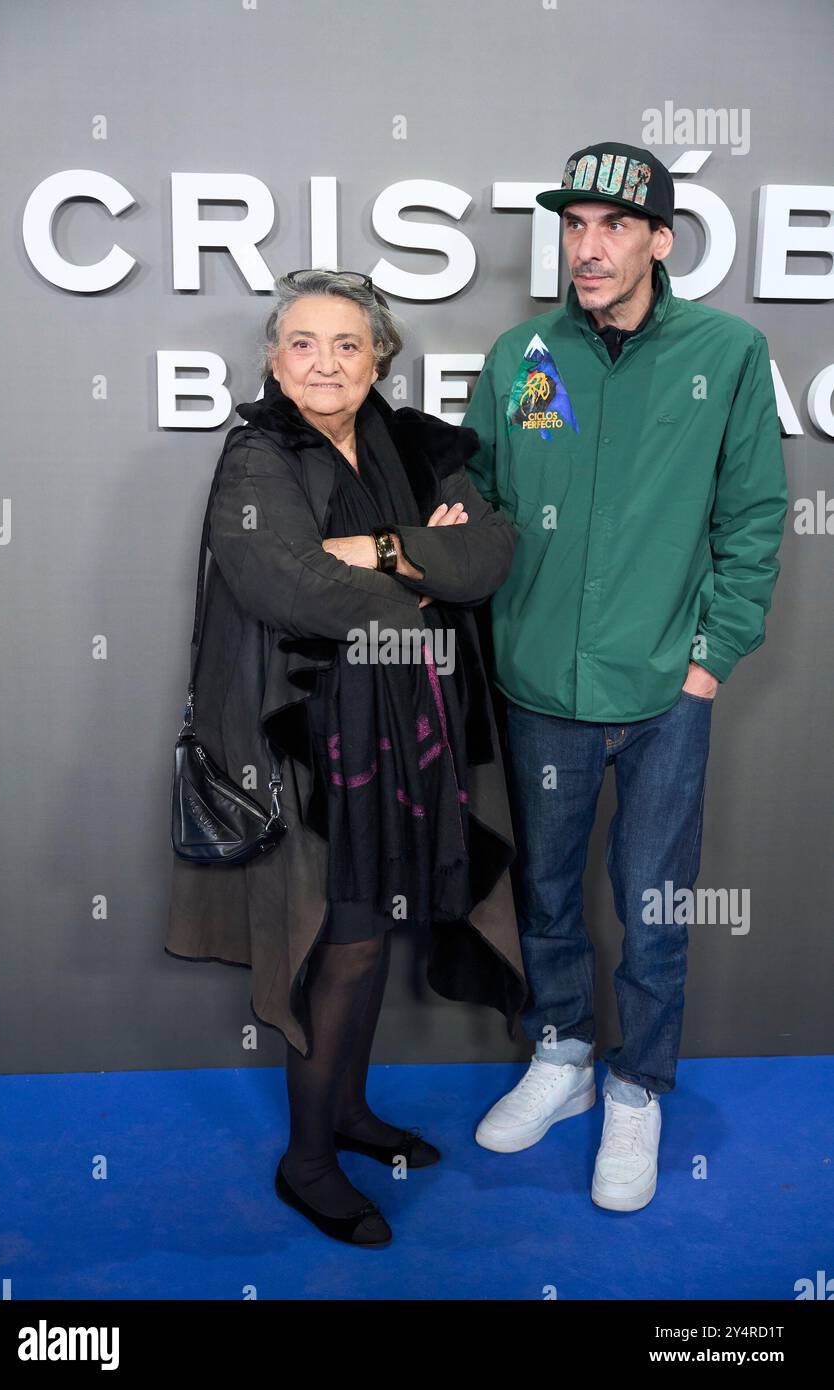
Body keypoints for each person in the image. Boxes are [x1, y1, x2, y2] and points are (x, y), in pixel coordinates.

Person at [165, 269, 527, 1247]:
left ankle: (351, 1114)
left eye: (347, 345)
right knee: (341, 938)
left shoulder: (409, 443)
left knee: (372, 937)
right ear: (273, 360)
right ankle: (308, 1159)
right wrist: (416, 568)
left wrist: (372, 552)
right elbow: (282, 584)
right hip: (309, 744)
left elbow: (487, 555)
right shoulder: (254, 457)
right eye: (302, 344)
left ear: (379, 361)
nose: (324, 363)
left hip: (414, 730)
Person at [463, 141, 788, 1211]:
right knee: (546, 893)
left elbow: (748, 517)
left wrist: (707, 662)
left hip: (660, 696)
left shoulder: (727, 351)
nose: (587, 248)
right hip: (536, 688)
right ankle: (558, 1054)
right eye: (572, 226)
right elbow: (477, 498)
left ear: (657, 239)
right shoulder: (519, 354)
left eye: (611, 226)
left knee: (648, 906)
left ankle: (635, 1087)